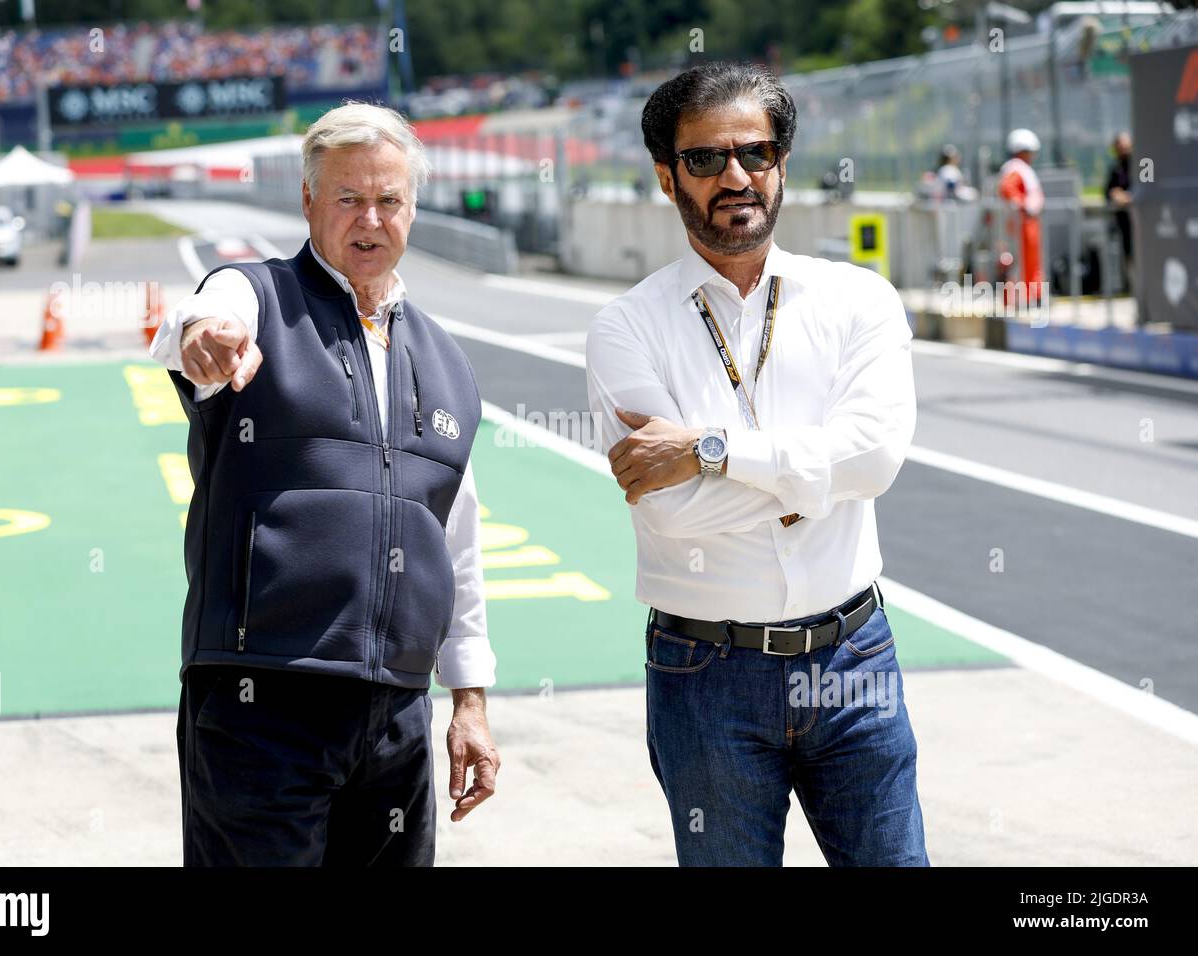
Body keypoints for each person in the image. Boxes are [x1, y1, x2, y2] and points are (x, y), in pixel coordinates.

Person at [584, 61, 927, 867]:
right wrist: (812, 478)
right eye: (706, 160)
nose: (736, 176)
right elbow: (670, 511)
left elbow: (873, 460)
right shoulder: (625, 328)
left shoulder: (859, 302)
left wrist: (712, 453)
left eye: (756, 153)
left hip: (854, 656)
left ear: (781, 165)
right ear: (669, 179)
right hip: (705, 672)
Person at [149, 102, 500, 867]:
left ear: (413, 208)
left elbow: (457, 544)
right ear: (308, 202)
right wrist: (202, 339)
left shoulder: (447, 363)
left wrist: (469, 699)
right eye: (347, 199)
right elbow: (199, 320)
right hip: (260, 704)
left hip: (397, 716)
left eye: (389, 200)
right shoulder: (256, 296)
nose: (369, 219)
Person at [997, 128, 1045, 308]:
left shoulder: (1020, 168)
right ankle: (1019, 299)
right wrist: (1024, 206)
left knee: (1030, 261)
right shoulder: (1015, 168)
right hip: (1022, 223)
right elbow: (1007, 189)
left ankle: (1033, 296)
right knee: (1021, 262)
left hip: (1027, 222)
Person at [1103, 131, 1134, 294]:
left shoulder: (1144, 161)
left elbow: (1148, 187)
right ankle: (1132, 288)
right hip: (1125, 221)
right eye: (1118, 145)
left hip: (1144, 223)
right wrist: (1115, 194)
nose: (1122, 147)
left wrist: (1130, 196)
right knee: (1129, 254)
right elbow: (1108, 191)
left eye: (1124, 143)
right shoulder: (1116, 167)